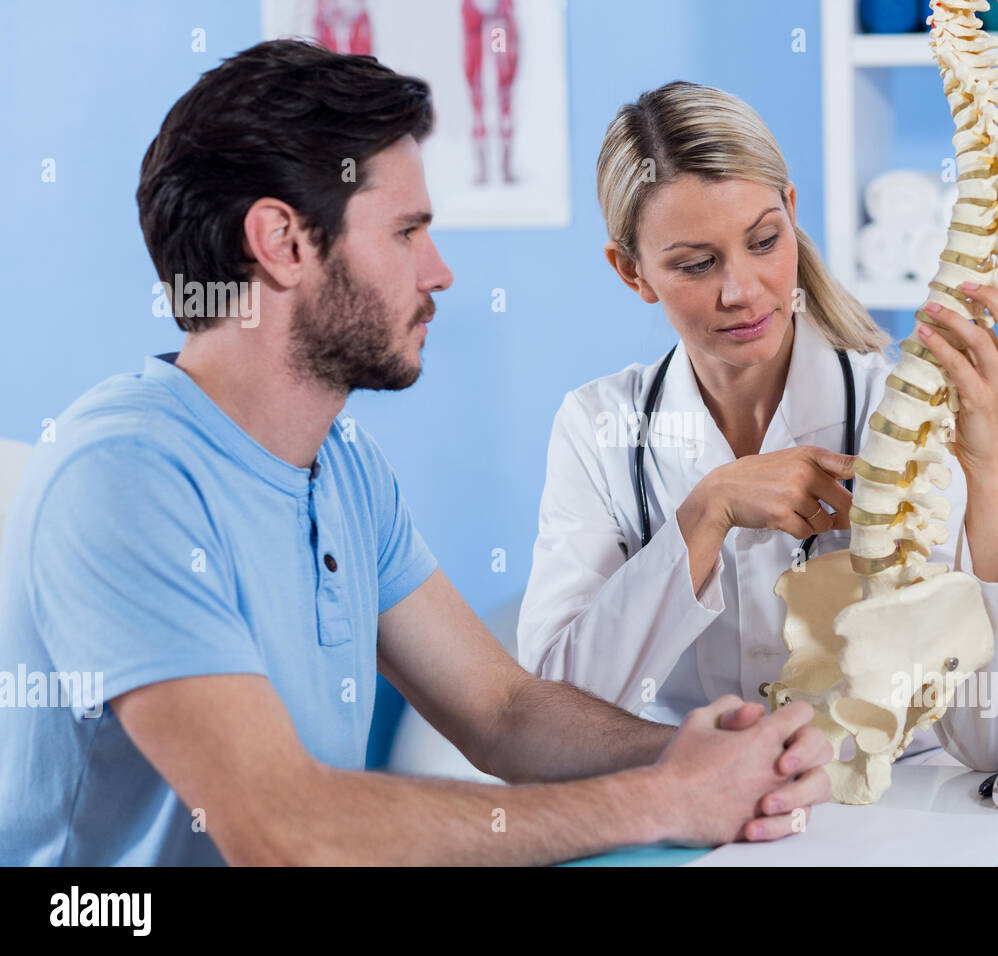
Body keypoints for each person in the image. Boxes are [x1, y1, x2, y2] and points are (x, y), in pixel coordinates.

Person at [0, 41, 832, 866]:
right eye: (407, 233)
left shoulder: (345, 469)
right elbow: (278, 828)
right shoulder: (122, 475)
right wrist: (659, 799)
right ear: (282, 242)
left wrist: (706, 755)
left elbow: (503, 712)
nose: (440, 272)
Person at [517, 81, 998, 772]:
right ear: (631, 272)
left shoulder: (906, 414)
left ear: (792, 215)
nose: (741, 291)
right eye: (695, 264)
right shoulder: (597, 429)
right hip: (697, 813)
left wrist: (992, 468)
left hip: (889, 817)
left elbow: (994, 742)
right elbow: (545, 727)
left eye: (764, 241)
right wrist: (705, 514)